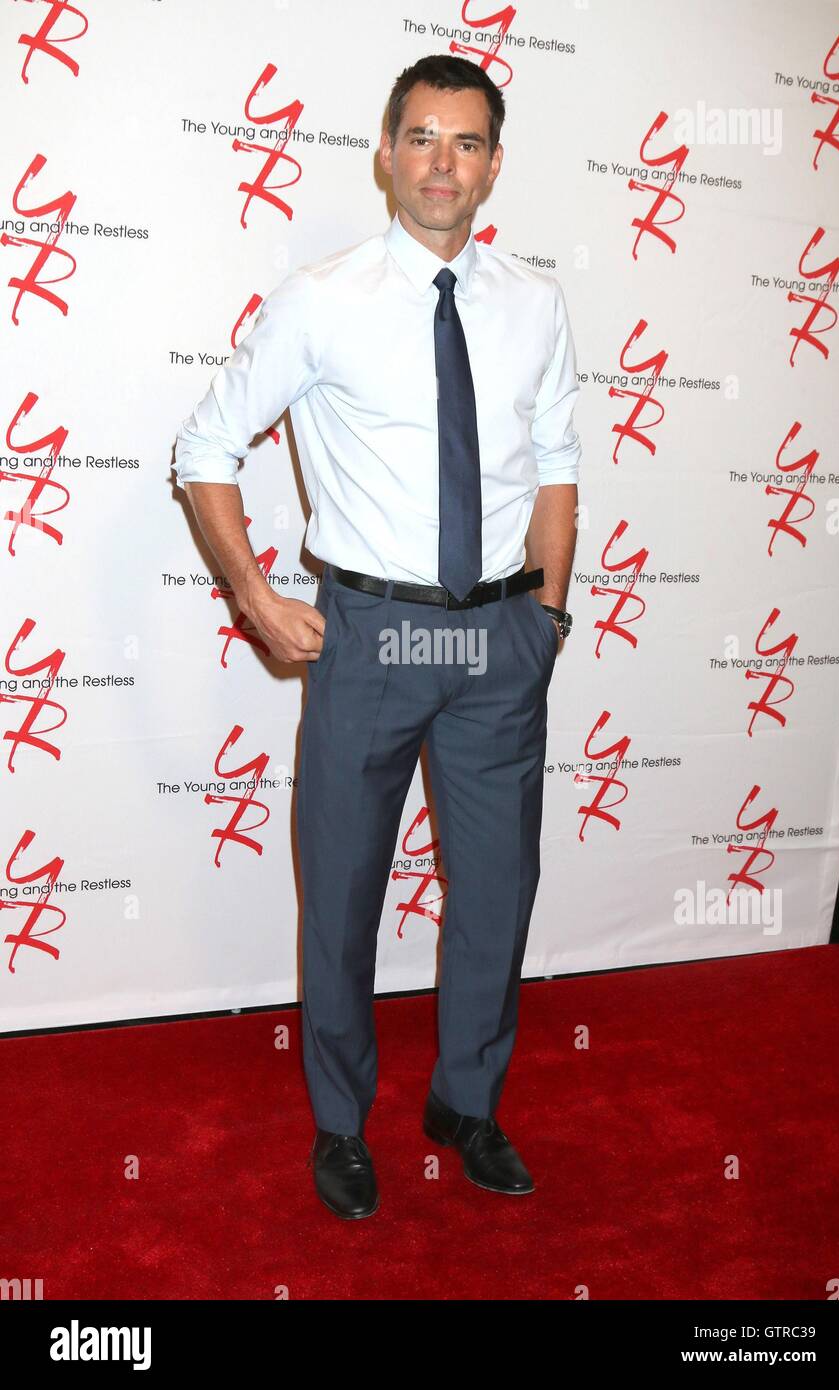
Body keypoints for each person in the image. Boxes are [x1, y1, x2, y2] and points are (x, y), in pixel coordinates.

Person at [173, 53, 580, 1220]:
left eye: (463, 143)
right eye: (419, 138)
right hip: (373, 638)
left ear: (493, 165)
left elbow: (554, 465)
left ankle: (465, 1102)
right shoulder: (323, 296)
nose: (439, 163)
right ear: (384, 153)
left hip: (500, 639)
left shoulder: (534, 304)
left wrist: (545, 617)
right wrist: (256, 595)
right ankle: (342, 1123)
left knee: (496, 892)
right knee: (345, 893)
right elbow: (204, 448)